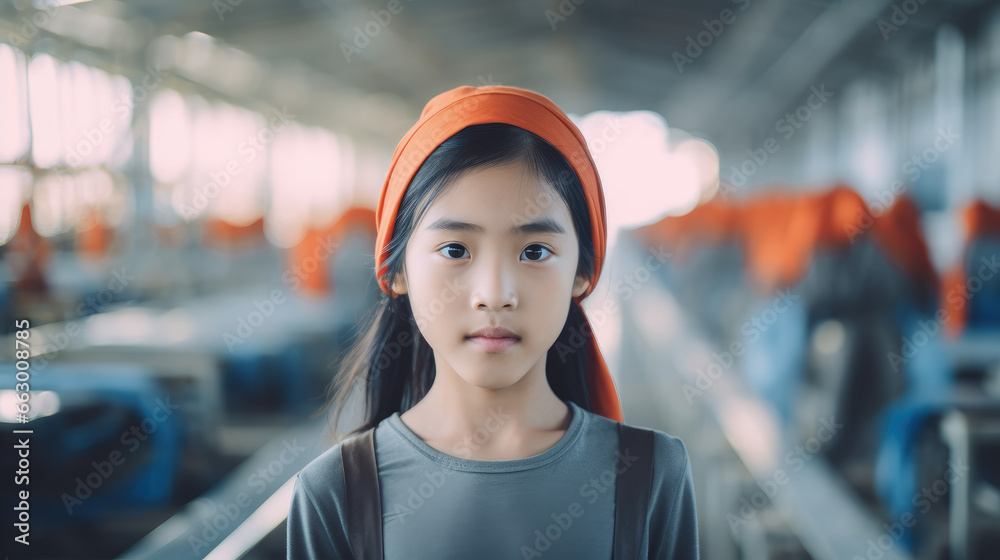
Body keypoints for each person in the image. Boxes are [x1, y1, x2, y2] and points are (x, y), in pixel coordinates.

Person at [286, 85, 698, 559]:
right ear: (395, 270)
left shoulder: (651, 476)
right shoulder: (335, 494)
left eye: (535, 251)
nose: (495, 294)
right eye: (455, 250)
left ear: (583, 272)